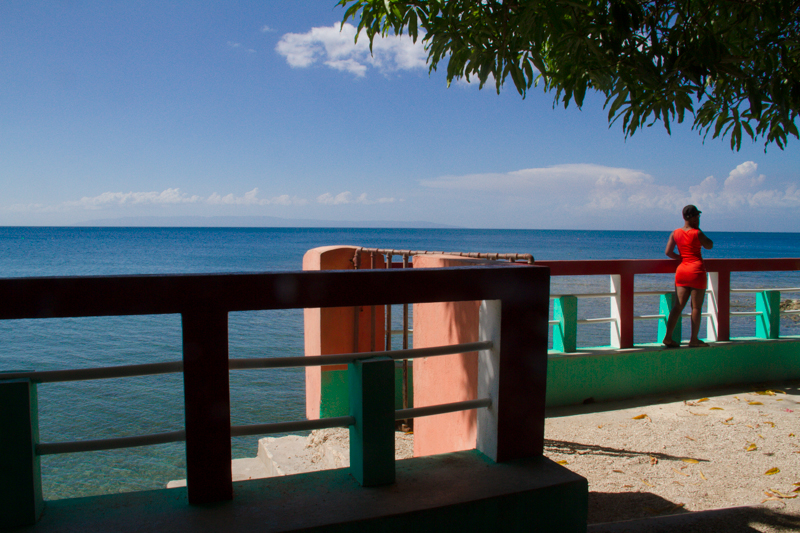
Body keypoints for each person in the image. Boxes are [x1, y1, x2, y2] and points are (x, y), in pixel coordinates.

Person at [662, 205, 714, 348]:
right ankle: (694, 340)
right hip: (696, 271)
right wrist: (698, 229)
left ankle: (668, 337)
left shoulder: (675, 233)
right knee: (696, 308)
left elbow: (668, 252)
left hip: (682, 270)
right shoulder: (697, 233)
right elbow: (709, 245)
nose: (699, 218)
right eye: (697, 216)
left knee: (677, 307)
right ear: (692, 217)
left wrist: (682, 258)